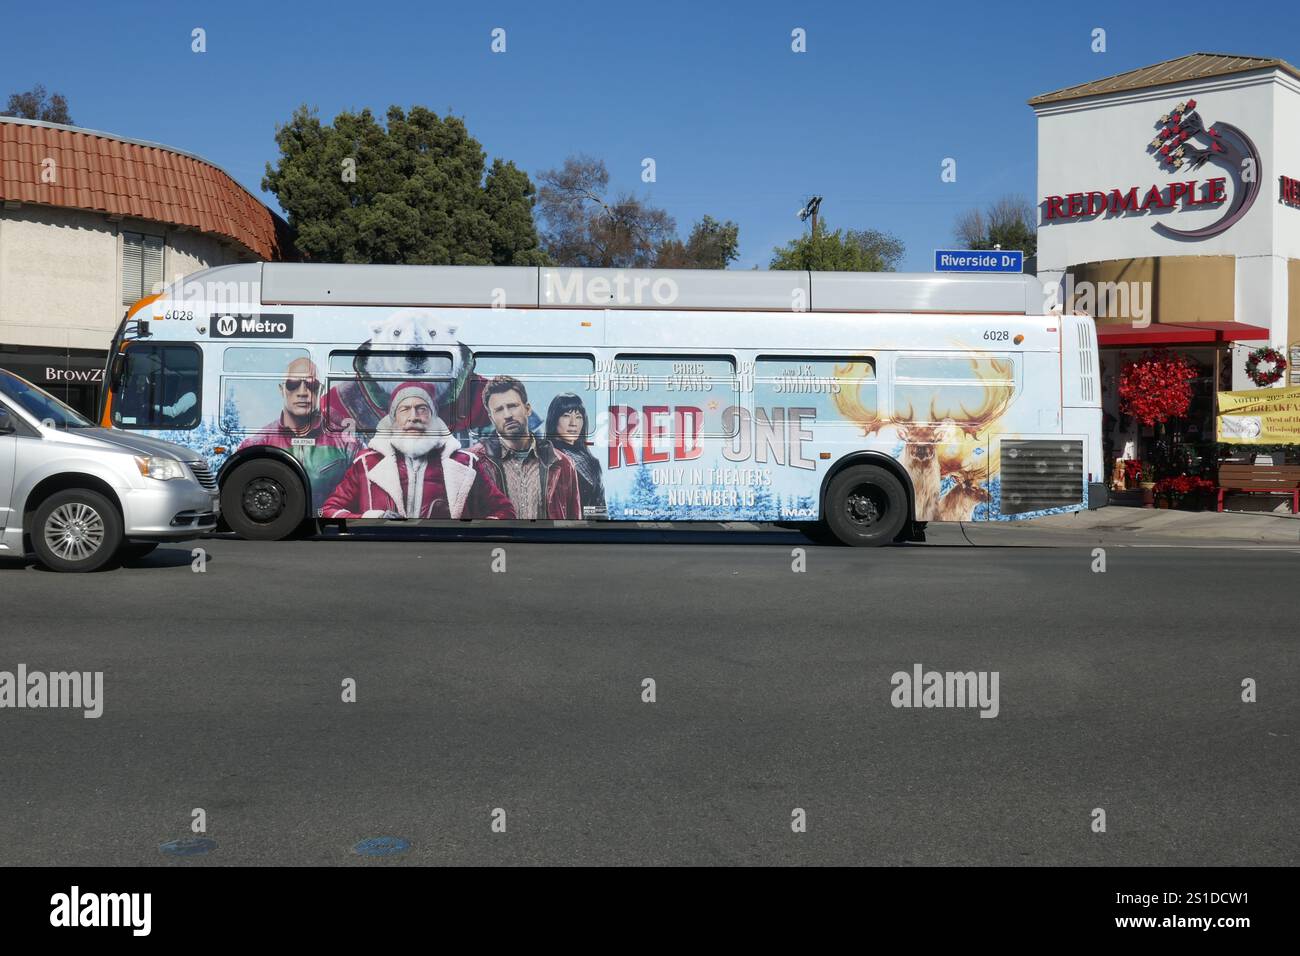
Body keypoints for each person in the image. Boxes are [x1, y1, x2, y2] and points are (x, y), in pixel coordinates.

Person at [322, 382, 514, 520]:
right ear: (393, 420)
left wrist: (469, 532)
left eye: (422, 409)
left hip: (447, 556)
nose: (413, 417)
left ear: (433, 418)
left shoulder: (465, 463)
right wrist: (374, 517)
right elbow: (330, 510)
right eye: (404, 409)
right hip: (382, 554)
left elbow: (504, 511)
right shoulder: (366, 463)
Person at [238, 357, 357, 512]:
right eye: (293, 385)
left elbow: (360, 496)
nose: (303, 392)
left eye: (311, 385)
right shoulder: (257, 444)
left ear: (320, 390)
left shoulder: (347, 443)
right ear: (281, 389)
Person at [467, 376, 582, 520]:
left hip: (546, 542)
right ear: (491, 418)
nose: (507, 415)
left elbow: (574, 523)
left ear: (527, 409)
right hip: (497, 542)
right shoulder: (473, 462)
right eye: (499, 410)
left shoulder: (562, 463)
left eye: (512, 406)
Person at [545, 392, 606, 518]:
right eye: (566, 416)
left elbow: (599, 512)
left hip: (587, 533)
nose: (573, 423)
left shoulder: (591, 462)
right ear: (554, 419)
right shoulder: (546, 457)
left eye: (578, 417)